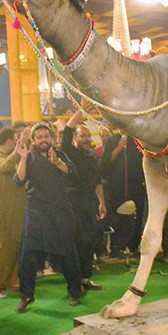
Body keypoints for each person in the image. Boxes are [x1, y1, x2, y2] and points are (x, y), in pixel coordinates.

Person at [14, 123, 83, 311]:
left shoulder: (60, 155)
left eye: (46, 136)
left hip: (60, 210)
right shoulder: (29, 157)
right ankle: (27, 296)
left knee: (68, 251)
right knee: (27, 254)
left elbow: (74, 174)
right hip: (35, 211)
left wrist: (58, 164)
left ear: (51, 138)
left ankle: (75, 291)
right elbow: (18, 181)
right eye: (39, 137)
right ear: (34, 141)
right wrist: (22, 158)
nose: (43, 140)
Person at [60, 119, 106, 290]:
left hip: (89, 204)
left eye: (88, 136)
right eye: (82, 136)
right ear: (75, 138)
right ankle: (74, 282)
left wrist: (101, 202)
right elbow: (66, 133)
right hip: (73, 204)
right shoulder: (69, 153)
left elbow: (97, 181)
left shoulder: (92, 155)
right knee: (76, 243)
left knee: (89, 242)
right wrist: (80, 107)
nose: (86, 139)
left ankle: (86, 278)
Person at [0, 124, 28, 299]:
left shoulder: (14, 157)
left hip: (16, 207)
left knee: (15, 244)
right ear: (10, 141)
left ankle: (12, 280)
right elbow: (4, 166)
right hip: (2, 208)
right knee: (3, 245)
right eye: (16, 140)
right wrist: (18, 151)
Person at [101, 133, 146, 258]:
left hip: (136, 186)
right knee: (118, 217)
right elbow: (105, 163)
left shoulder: (137, 140)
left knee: (137, 217)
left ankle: (134, 247)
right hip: (117, 188)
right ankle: (117, 247)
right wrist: (119, 148)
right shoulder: (112, 140)